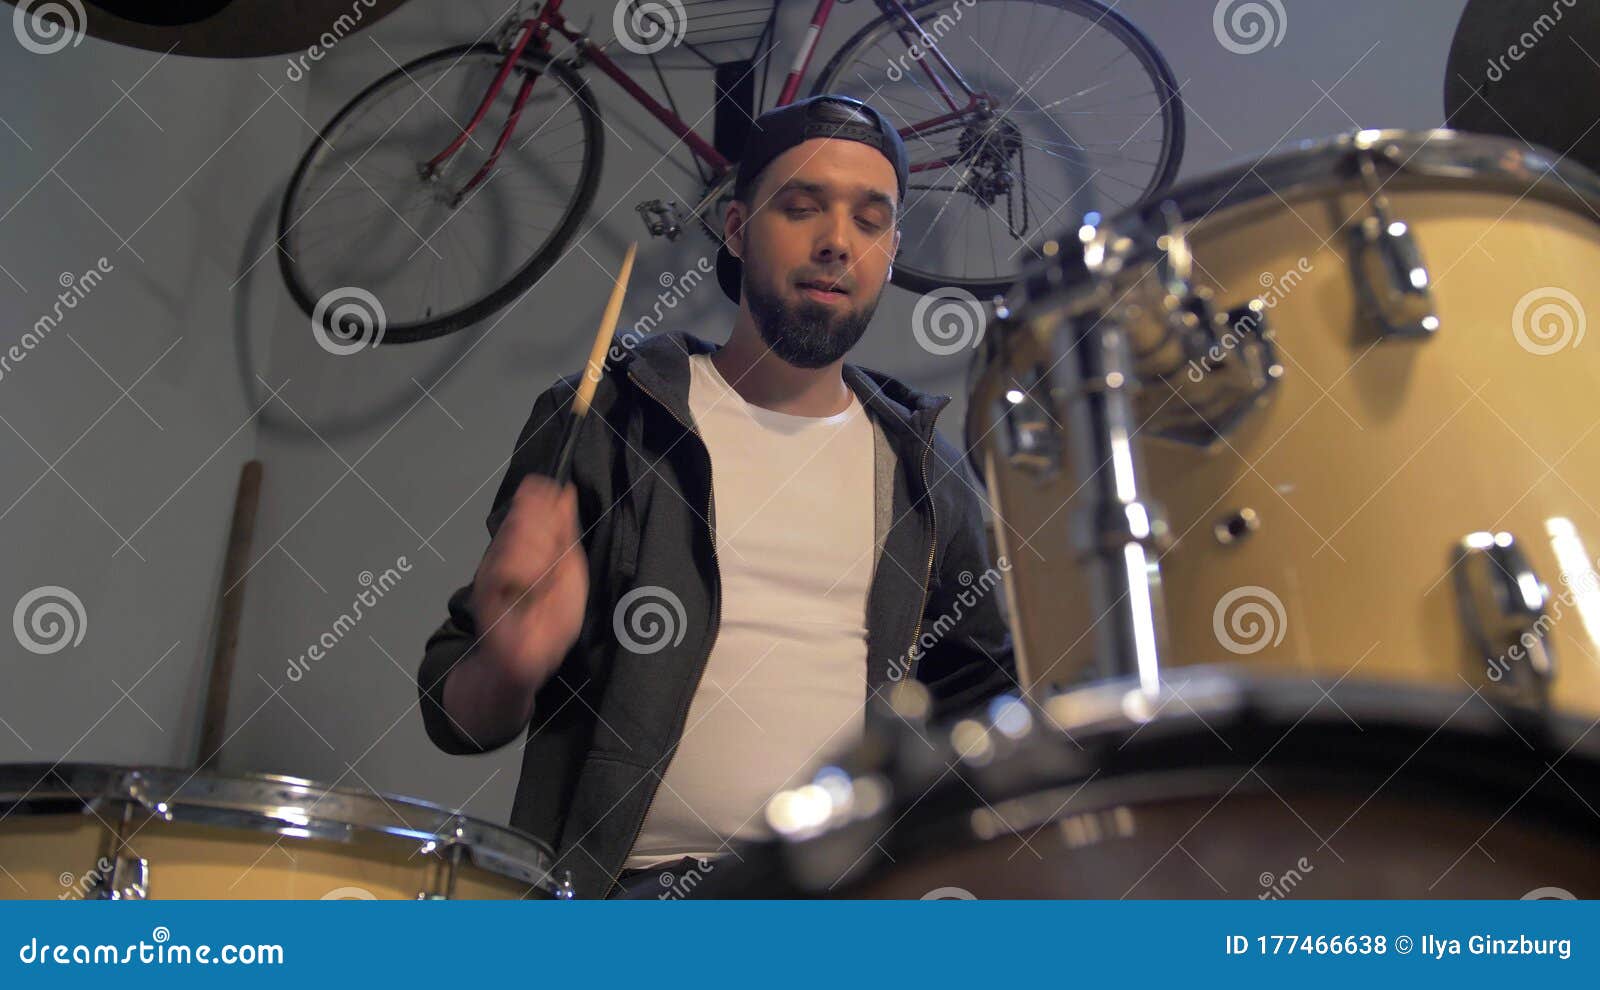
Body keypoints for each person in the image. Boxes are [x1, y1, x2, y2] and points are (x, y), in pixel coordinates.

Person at [417, 94, 1015, 900]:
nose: (837, 241)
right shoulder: (608, 417)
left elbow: (990, 705)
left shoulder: (926, 472)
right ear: (735, 229)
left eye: (870, 221)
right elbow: (460, 719)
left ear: (891, 248)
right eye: (801, 207)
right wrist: (512, 660)